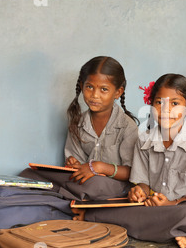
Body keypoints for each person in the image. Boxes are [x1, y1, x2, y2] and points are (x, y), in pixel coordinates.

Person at [82, 74, 186, 248]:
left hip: (184, 208)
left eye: (175, 104)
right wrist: (139, 191)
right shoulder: (144, 141)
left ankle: (98, 219)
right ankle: (173, 232)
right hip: (153, 207)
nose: (166, 110)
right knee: (128, 206)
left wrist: (171, 204)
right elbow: (143, 182)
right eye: (159, 103)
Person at [20, 56, 139, 201]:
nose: (95, 95)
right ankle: (71, 196)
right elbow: (78, 167)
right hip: (84, 182)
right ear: (82, 86)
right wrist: (74, 164)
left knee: (94, 184)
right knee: (27, 175)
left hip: (113, 185)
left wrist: (100, 167)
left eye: (104, 89)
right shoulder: (78, 123)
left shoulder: (127, 127)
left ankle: (64, 195)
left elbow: (133, 172)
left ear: (118, 92)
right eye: (89, 87)